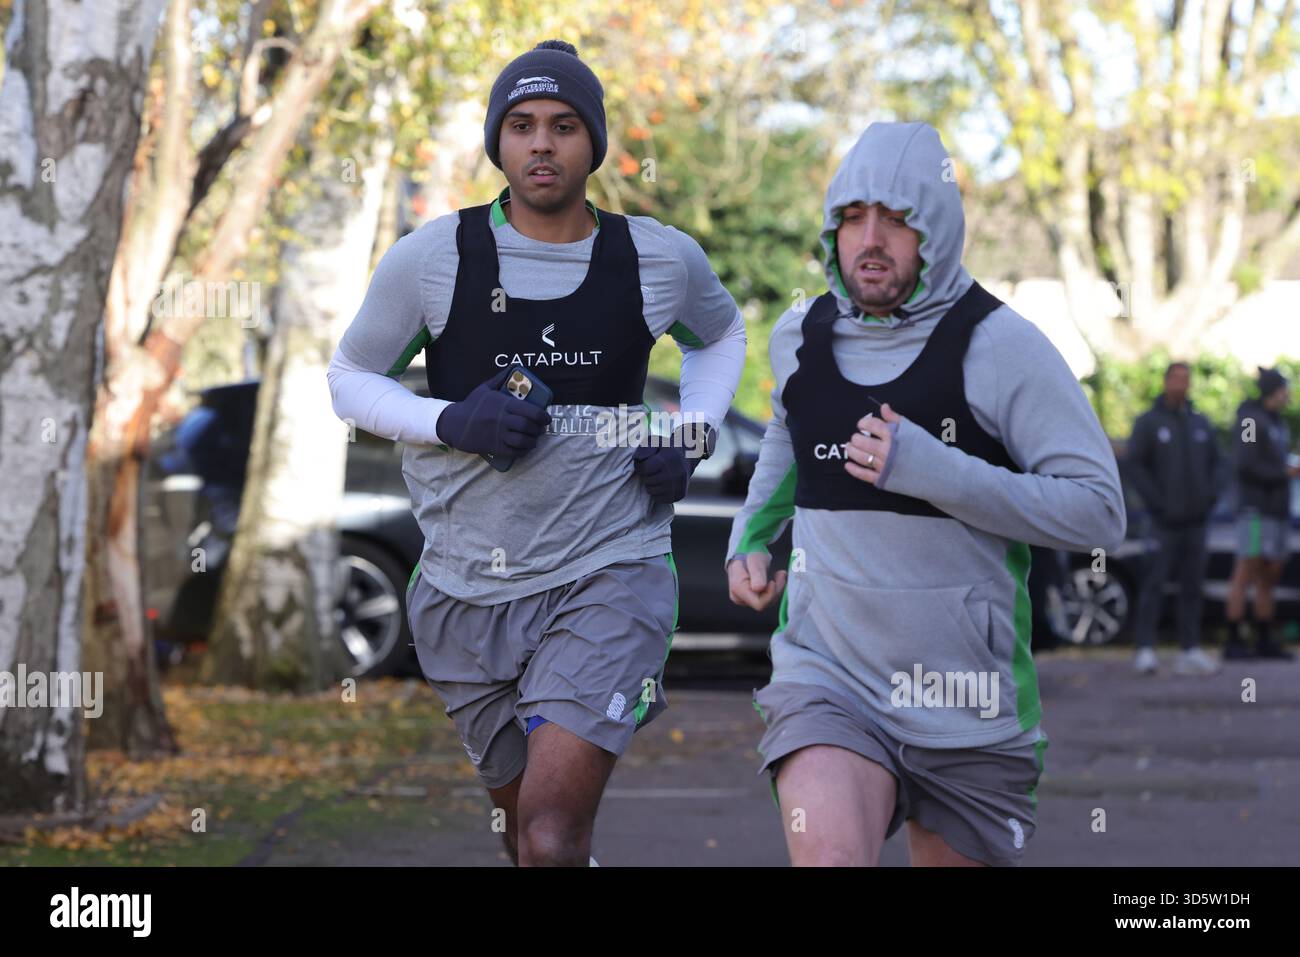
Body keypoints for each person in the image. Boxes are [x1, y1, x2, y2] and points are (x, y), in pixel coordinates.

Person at [327, 39, 747, 865]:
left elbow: (721, 334)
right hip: (466, 589)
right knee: (531, 842)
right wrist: (452, 422)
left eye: (563, 125)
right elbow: (350, 377)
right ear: (498, 141)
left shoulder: (654, 257)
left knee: (551, 834)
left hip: (610, 569)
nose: (542, 143)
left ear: (594, 142)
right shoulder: (435, 258)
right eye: (521, 125)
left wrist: (691, 433)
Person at [725, 121, 1126, 867]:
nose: (870, 240)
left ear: (934, 228)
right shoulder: (798, 334)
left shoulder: (1002, 346)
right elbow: (788, 430)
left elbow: (1099, 510)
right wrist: (748, 538)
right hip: (830, 679)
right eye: (852, 217)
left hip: (967, 699)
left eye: (897, 219)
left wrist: (937, 471)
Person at [1124, 362, 1222, 675]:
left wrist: (1210, 497)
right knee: (1154, 583)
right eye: (1177, 378)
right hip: (1162, 523)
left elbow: (1219, 464)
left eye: (1186, 379)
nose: (1182, 384)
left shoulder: (1200, 423)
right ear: (1166, 382)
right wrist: (1157, 502)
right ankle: (1145, 649)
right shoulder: (1148, 423)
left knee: (1192, 587)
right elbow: (1134, 465)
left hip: (1196, 522)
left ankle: (1190, 649)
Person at [1224, 367, 1298, 661]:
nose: (1288, 395)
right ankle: (1233, 639)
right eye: (1284, 390)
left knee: (1269, 574)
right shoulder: (1250, 420)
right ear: (1273, 391)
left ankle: (1264, 638)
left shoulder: (1278, 422)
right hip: (1255, 511)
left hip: (1277, 510)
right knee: (1246, 569)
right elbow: (1245, 463)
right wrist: (1284, 473)